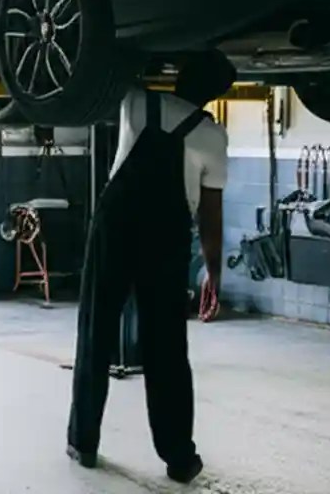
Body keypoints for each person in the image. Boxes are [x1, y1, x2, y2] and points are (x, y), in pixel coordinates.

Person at [66, 51, 233, 484]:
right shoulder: (214, 136)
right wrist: (213, 272)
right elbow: (209, 216)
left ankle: (83, 441)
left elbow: (125, 62)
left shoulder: (136, 102)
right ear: (217, 95)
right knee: (167, 350)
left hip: (114, 227)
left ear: (178, 76)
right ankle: (179, 456)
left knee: (96, 333)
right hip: (166, 239)